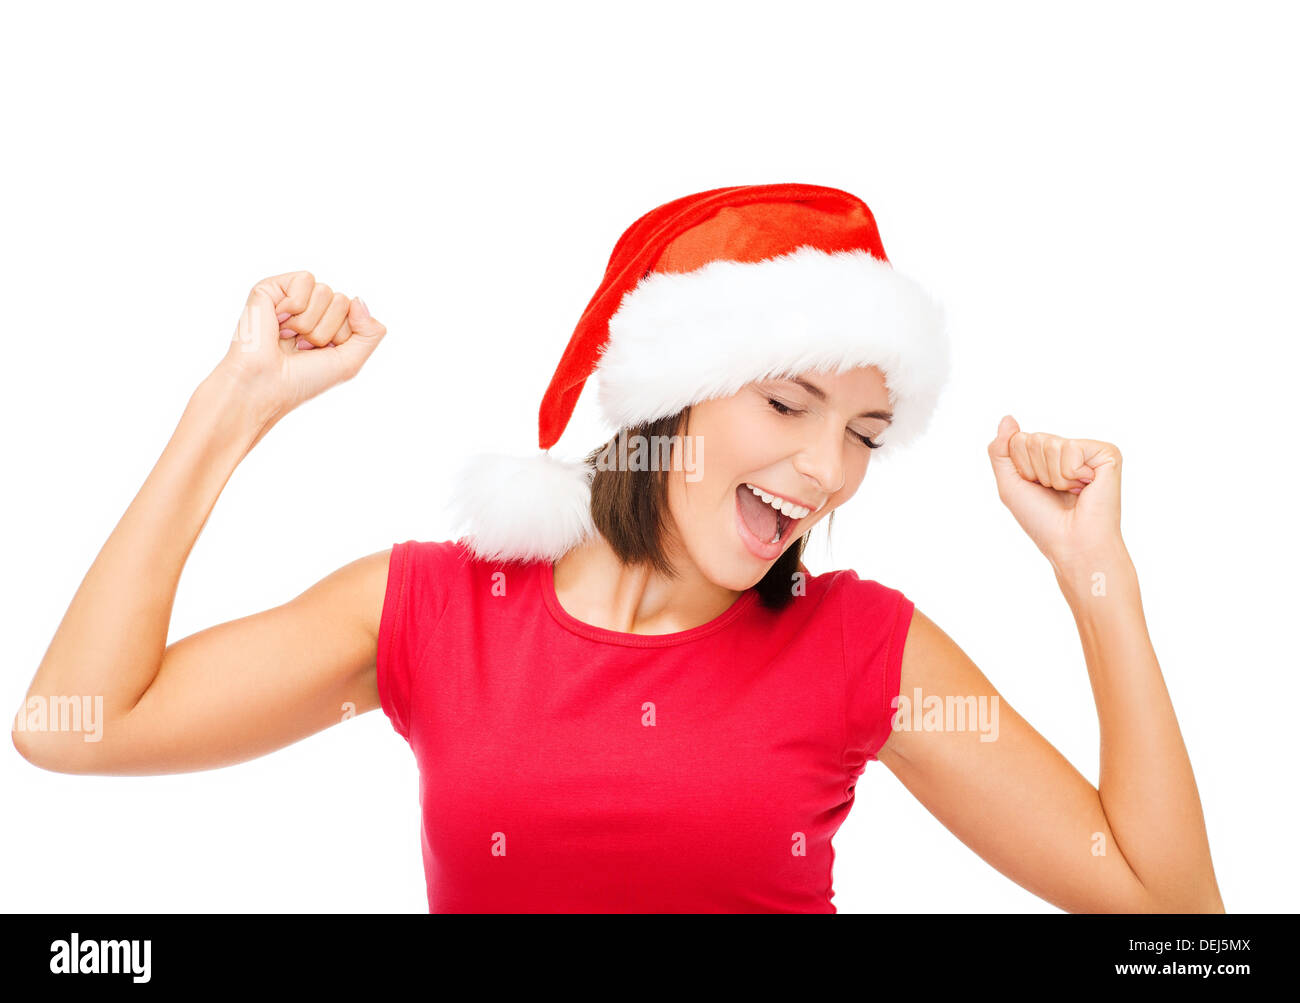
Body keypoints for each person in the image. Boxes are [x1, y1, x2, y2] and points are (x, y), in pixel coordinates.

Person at [13, 183, 1224, 915]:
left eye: (861, 432)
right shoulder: (436, 608)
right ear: (667, 403)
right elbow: (73, 725)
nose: (826, 472)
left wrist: (1094, 578)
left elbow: (1171, 915)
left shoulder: (860, 648)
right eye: (787, 405)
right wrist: (236, 403)